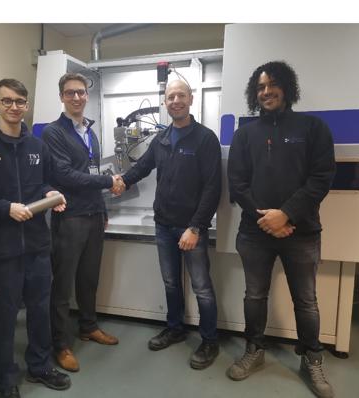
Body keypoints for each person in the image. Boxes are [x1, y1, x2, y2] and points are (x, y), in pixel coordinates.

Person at [226, 61, 336, 398]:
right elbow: (237, 183)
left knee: (307, 301)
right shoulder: (245, 134)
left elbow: (321, 178)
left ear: (286, 88)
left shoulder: (312, 128)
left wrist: (286, 215)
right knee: (254, 295)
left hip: (301, 232)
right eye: (260, 87)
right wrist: (267, 219)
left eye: (272, 85)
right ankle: (254, 349)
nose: (266, 92)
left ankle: (312, 358)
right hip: (254, 232)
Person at [0, 79, 70, 398]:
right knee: (5, 316)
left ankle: (39, 365)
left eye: (20, 101)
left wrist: (49, 193)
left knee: (39, 311)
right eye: (7, 101)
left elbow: (43, 183)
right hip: (3, 249)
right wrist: (6, 208)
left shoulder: (37, 146)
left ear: (27, 105)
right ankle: (4, 375)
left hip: (37, 246)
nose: (14, 107)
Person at [118, 79, 222, 369]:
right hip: (163, 225)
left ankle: (210, 340)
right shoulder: (161, 139)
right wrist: (121, 181)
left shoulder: (205, 139)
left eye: (181, 95)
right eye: (170, 97)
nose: (176, 101)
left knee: (201, 287)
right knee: (171, 282)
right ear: (165, 102)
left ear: (190, 99)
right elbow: (142, 167)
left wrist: (195, 227)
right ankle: (175, 328)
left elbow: (213, 188)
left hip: (191, 227)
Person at [42, 73, 121, 373]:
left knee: (89, 278)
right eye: (70, 93)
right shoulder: (53, 133)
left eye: (81, 92)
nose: (76, 97)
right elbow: (64, 175)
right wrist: (108, 182)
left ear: (87, 95)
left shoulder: (90, 131)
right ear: (61, 97)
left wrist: (102, 209)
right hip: (70, 217)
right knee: (63, 285)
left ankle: (88, 326)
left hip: (93, 215)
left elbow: (91, 169)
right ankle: (60, 344)